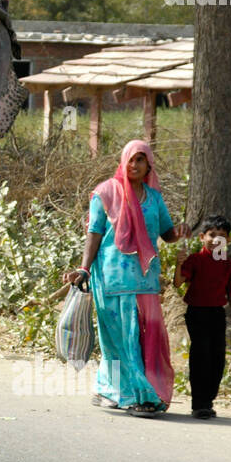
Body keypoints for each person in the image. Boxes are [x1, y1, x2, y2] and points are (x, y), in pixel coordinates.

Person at [63, 139, 190, 416]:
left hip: (145, 280)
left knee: (145, 337)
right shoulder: (106, 192)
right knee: (121, 338)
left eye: (140, 160)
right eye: (131, 159)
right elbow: (94, 232)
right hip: (111, 277)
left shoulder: (154, 197)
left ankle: (109, 387)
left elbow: (167, 233)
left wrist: (180, 231)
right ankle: (137, 396)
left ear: (148, 166)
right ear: (123, 161)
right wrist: (84, 268)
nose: (134, 165)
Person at [174, 215, 231, 420]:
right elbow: (178, 283)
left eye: (221, 236)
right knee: (200, 355)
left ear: (228, 240)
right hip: (196, 312)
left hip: (217, 313)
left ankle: (208, 401)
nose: (216, 239)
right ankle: (199, 404)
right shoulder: (195, 259)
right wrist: (178, 263)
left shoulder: (228, 265)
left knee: (217, 358)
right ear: (202, 237)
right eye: (212, 235)